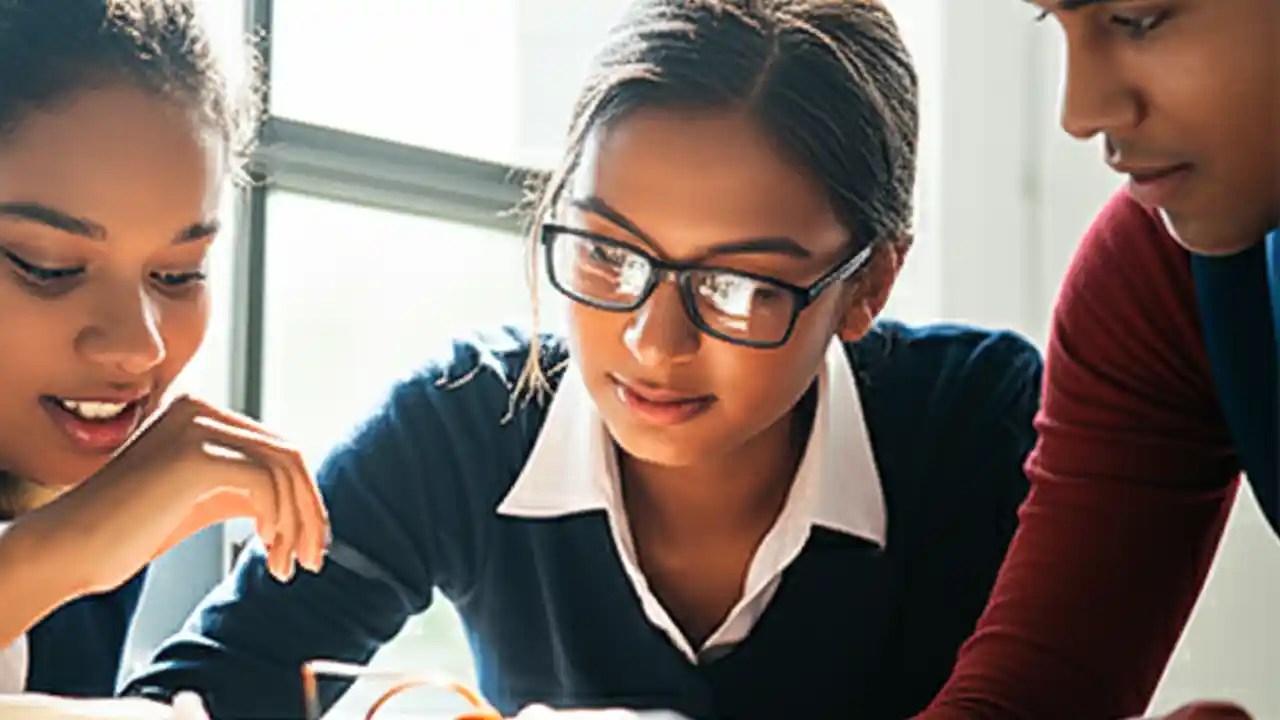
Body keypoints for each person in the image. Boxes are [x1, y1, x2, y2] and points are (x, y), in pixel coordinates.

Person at [125, 1, 1042, 718]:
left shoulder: (979, 426)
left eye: (736, 286)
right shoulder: (463, 423)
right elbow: (198, 694)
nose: (653, 342)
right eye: (607, 253)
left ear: (869, 285)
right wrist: (396, 705)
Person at [920, 1, 1279, 718]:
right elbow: (1030, 696)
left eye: (1137, 19)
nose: (1080, 111)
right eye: (1053, 23)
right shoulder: (1171, 276)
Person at [0, 0, 328, 702]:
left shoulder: (91, 494)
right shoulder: (81, 533)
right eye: (48, 266)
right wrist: (53, 558)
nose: (139, 345)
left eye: (178, 274)